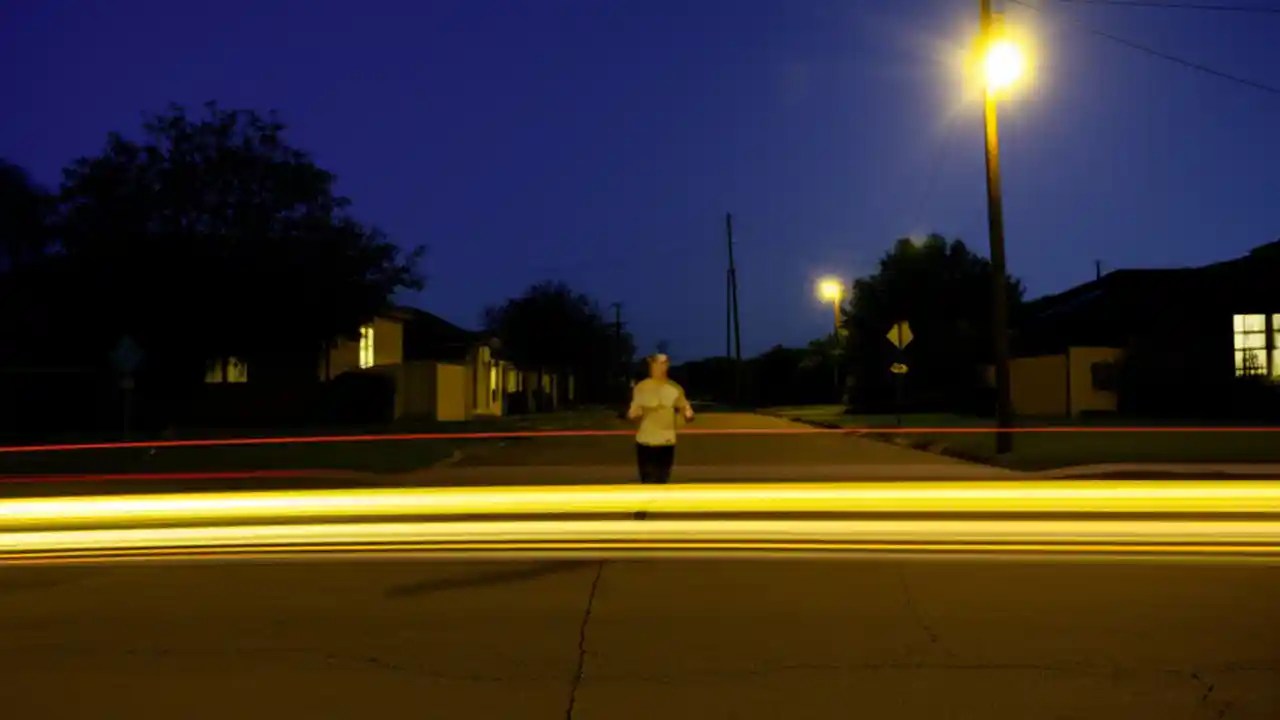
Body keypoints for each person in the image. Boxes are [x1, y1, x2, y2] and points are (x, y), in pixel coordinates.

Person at [627, 353, 694, 493]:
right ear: (651, 366)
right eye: (657, 363)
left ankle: (658, 508)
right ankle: (644, 509)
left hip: (666, 441)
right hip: (645, 441)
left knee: (662, 480)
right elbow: (633, 410)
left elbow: (685, 408)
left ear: (667, 365)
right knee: (647, 480)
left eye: (664, 363)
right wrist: (633, 414)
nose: (660, 366)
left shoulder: (675, 388)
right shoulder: (642, 387)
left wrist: (688, 414)